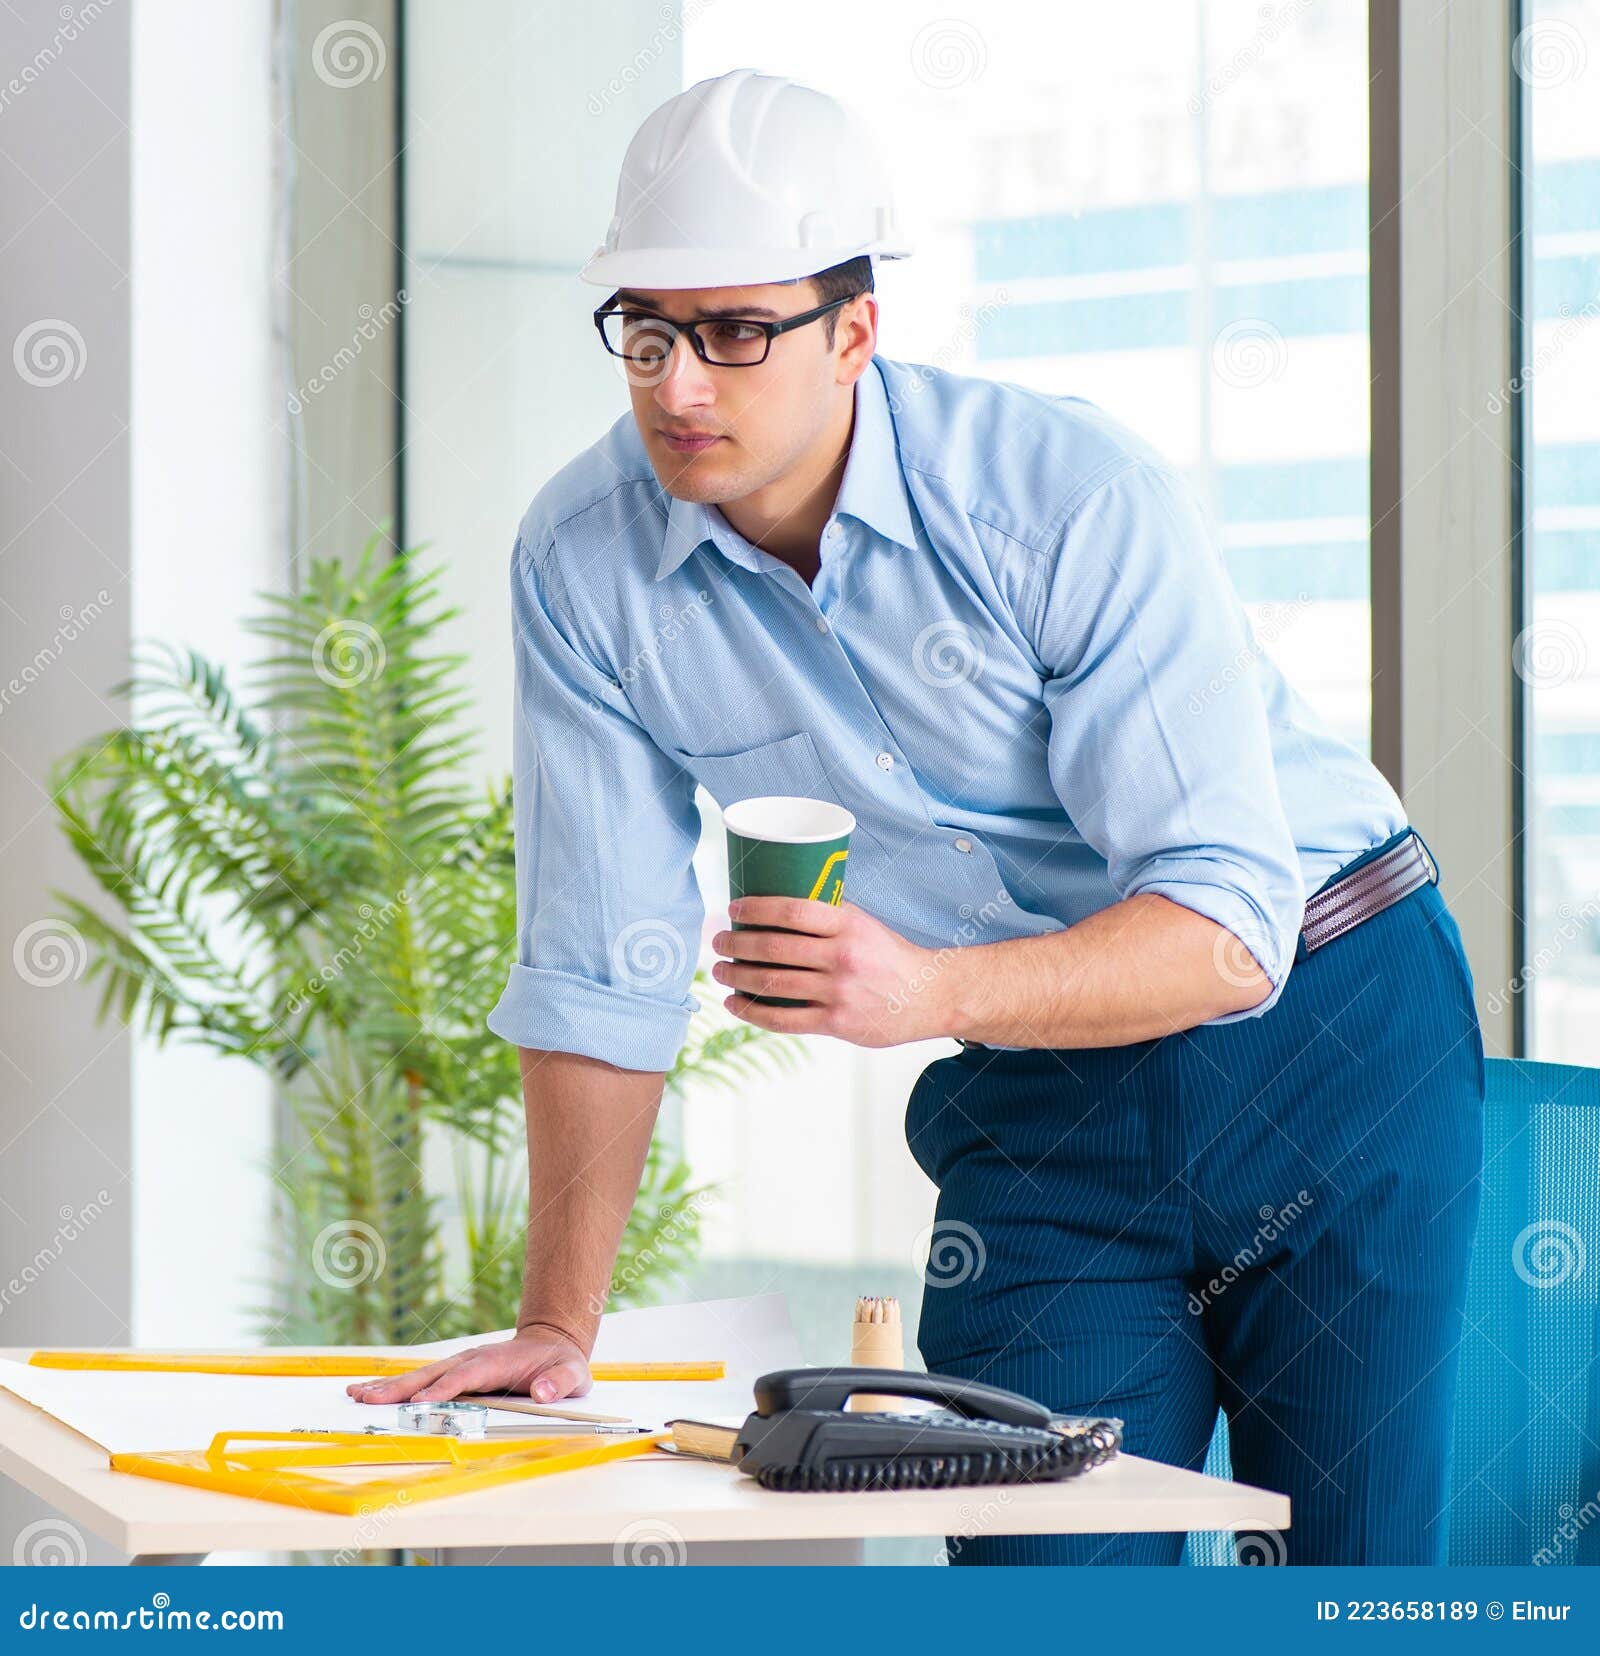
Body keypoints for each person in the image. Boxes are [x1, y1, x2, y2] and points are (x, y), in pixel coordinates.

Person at [352, 68, 1485, 1566]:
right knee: (1034, 1577)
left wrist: (925, 991)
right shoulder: (584, 563)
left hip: (1331, 1028)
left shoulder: (1065, 498)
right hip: (1041, 1099)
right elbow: (594, 962)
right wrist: (558, 1322)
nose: (679, 385)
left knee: (1350, 1576)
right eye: (646, 331)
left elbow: (1225, 930)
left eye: (737, 332)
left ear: (855, 331)